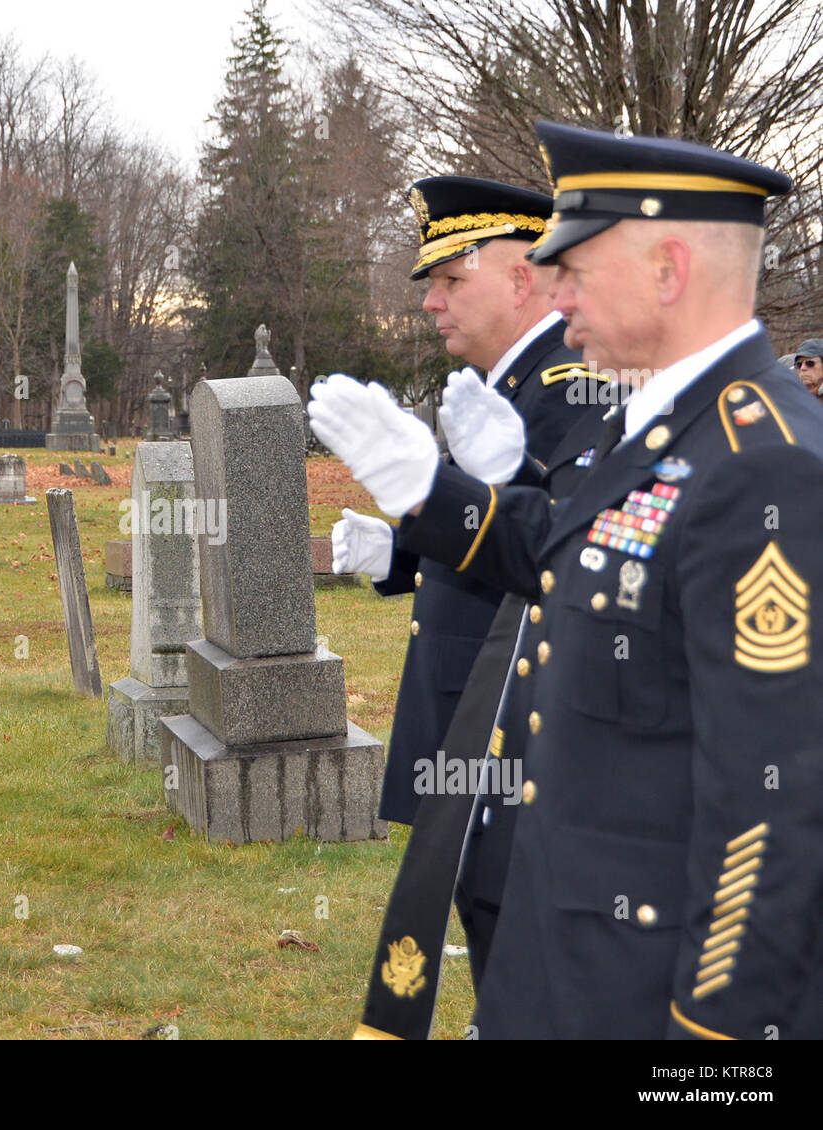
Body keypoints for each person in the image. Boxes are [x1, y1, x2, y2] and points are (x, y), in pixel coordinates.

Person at [316, 121, 823, 1040]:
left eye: (578, 268)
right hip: (565, 969)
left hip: (645, 993)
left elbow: (774, 803)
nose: (558, 292)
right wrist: (433, 497)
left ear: (669, 270)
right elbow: (560, 563)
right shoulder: (662, 430)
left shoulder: (762, 463)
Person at [334, 176, 603, 987]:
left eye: (452, 280)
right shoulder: (503, 384)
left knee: (530, 978)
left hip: (518, 750)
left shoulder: (567, 386)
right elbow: (501, 526)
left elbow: (565, 547)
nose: (430, 302)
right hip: (474, 742)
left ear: (522, 278)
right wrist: (404, 555)